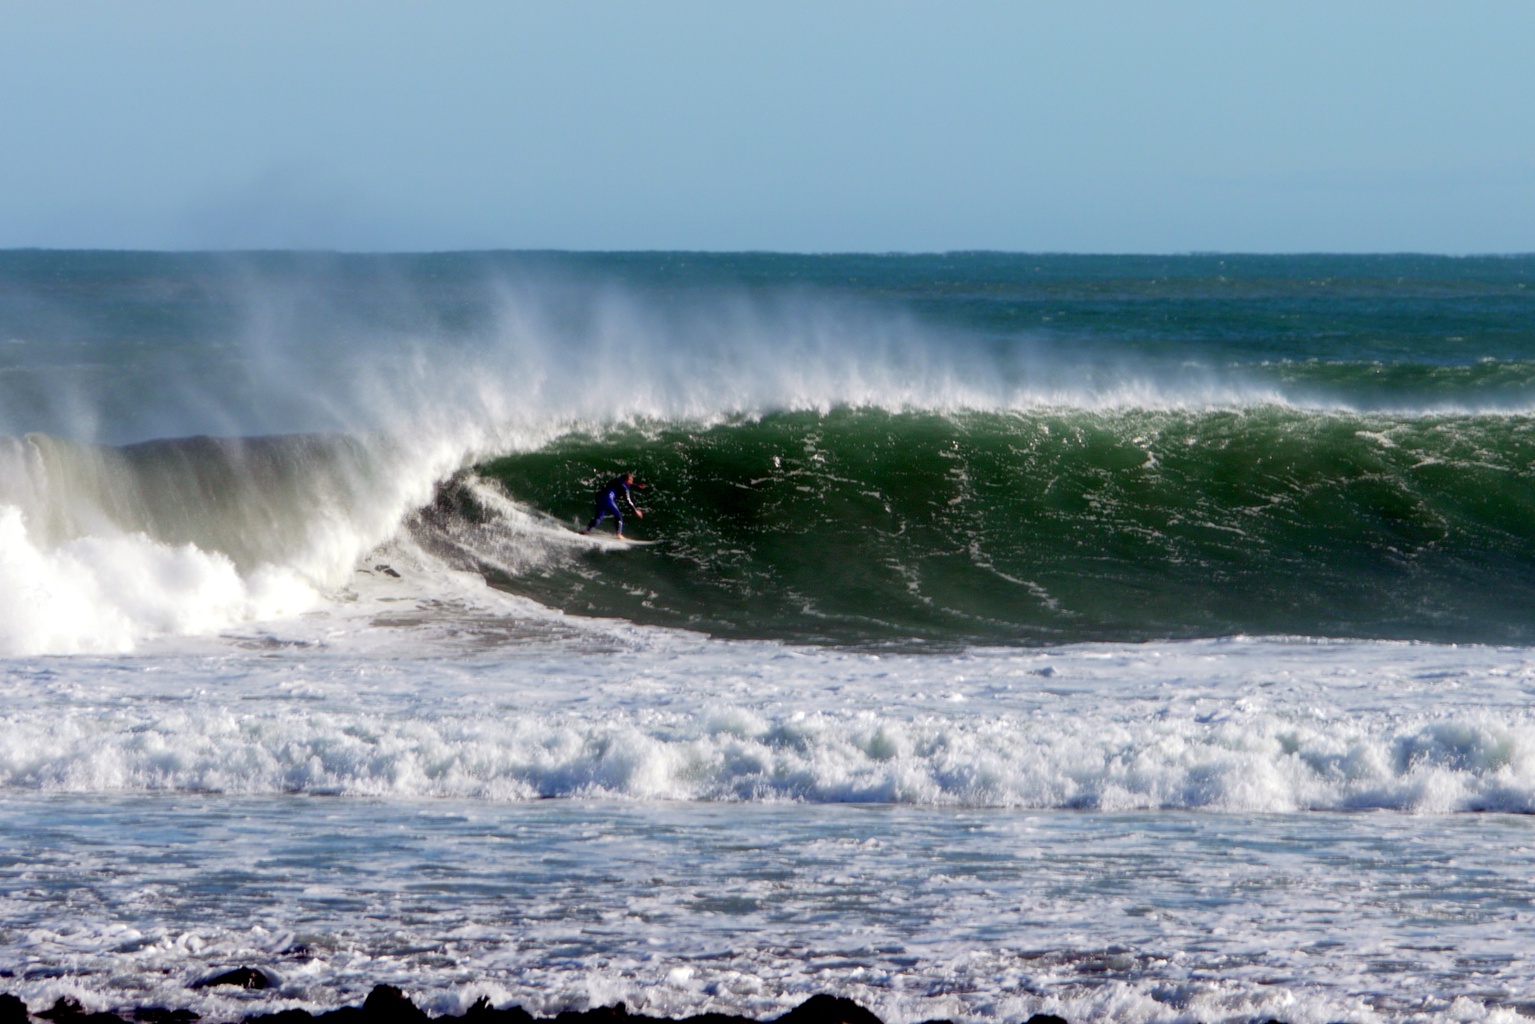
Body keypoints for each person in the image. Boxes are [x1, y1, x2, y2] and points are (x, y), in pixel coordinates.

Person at [581, 471, 646, 539]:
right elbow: (628, 501)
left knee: (599, 517)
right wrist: (635, 510)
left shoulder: (617, 480)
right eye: (631, 481)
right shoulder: (625, 488)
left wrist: (636, 486)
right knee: (619, 516)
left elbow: (623, 483)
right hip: (608, 499)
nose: (631, 483)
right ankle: (619, 535)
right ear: (627, 480)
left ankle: (586, 531)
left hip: (599, 497)